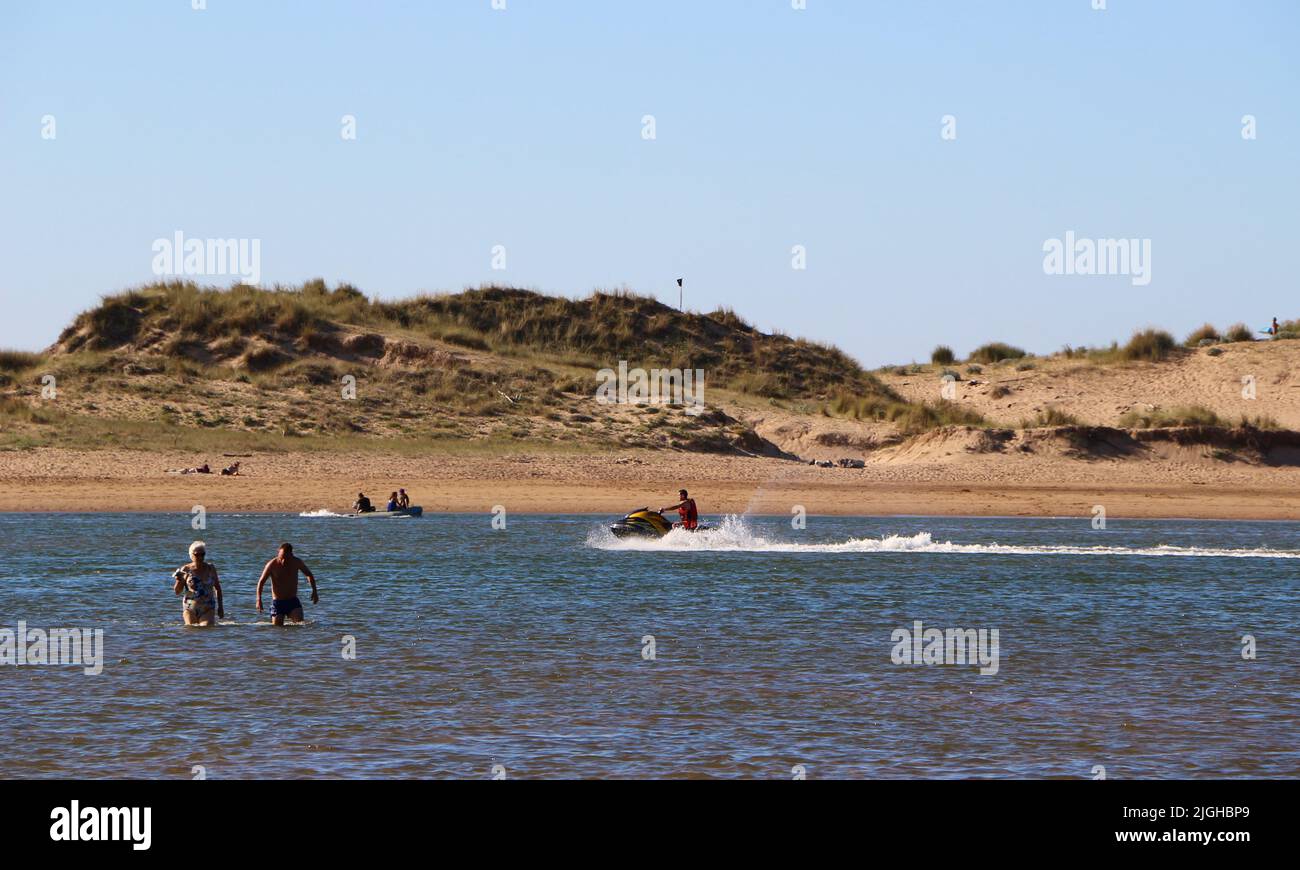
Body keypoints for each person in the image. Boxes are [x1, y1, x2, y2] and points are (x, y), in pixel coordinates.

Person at [255, 543, 319, 626]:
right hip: (278, 603)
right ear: (278, 553)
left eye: (286, 558)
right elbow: (261, 582)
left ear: (291, 555)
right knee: (277, 628)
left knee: (300, 625)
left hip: (292, 601)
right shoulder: (271, 565)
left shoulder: (296, 562)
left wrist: (314, 591)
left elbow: (309, 575)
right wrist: (259, 599)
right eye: (281, 557)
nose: (283, 561)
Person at [173, 540, 223, 626]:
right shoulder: (185, 569)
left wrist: (220, 608)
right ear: (191, 555)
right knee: (191, 629)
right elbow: (177, 592)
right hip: (190, 607)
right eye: (197, 555)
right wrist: (179, 580)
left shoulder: (211, 568)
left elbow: (218, 588)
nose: (200, 557)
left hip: (208, 607)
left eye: (202, 554)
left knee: (206, 627)